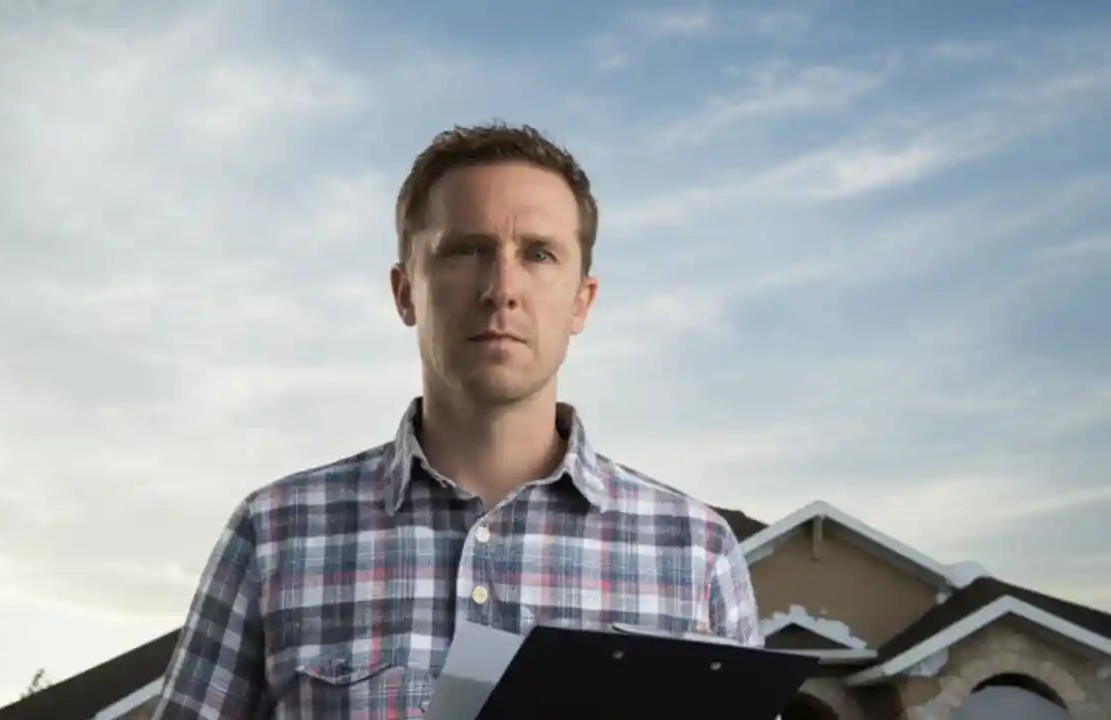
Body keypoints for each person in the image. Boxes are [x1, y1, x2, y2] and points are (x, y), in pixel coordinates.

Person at [151, 122, 763, 719]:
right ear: (405, 293)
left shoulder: (697, 552)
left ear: (582, 301)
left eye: (539, 254)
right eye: (467, 250)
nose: (502, 288)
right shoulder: (274, 534)